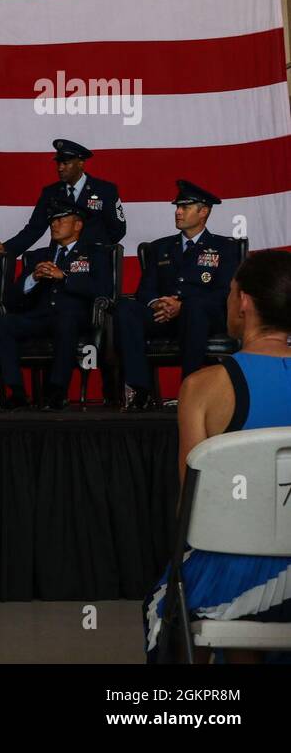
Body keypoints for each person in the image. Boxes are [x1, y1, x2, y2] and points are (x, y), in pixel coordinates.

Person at [144, 250, 291, 663]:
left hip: (235, 576)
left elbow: (192, 511)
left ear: (243, 302)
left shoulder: (203, 387)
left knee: (177, 601)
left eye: (229, 293)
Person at [115, 180, 239, 411]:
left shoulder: (225, 248)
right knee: (125, 308)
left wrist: (182, 305)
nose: (178, 212)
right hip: (163, 316)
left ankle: (189, 390)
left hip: (203, 318)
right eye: (177, 207)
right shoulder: (160, 247)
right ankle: (140, 390)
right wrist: (157, 303)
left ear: (203, 211)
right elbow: (145, 290)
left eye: (185, 207)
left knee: (195, 308)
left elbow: (225, 292)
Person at [0, 198, 113, 411]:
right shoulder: (39, 256)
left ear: (77, 225)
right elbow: (13, 298)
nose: (54, 225)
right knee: (1, 324)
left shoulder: (94, 253)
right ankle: (17, 392)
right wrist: (33, 279)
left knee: (66, 321)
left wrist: (64, 276)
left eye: (61, 219)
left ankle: (56, 391)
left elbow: (103, 291)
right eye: (52, 221)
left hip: (74, 316)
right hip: (40, 317)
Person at [0, 139, 126, 256]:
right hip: (59, 260)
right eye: (58, 163)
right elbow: (34, 229)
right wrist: (7, 248)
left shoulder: (105, 190)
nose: (60, 168)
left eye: (66, 163)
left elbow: (118, 229)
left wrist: (96, 252)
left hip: (91, 263)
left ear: (80, 163)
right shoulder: (50, 193)